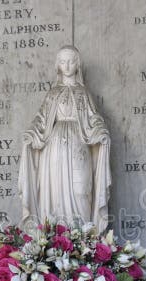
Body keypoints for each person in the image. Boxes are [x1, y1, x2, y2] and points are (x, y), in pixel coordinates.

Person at [19, 46, 111, 232]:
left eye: (71, 61)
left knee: (81, 190)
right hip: (54, 148)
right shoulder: (52, 94)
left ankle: (83, 238)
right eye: (62, 61)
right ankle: (56, 238)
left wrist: (101, 132)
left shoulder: (83, 93)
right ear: (57, 65)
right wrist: (32, 133)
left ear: (78, 64)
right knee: (55, 193)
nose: (67, 65)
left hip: (78, 144)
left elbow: (94, 118)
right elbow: (42, 119)